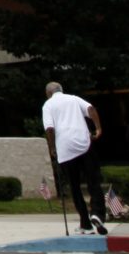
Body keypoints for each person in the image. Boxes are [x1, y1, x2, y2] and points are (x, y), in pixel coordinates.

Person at [43, 81, 107, 235]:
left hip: (65, 150)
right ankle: (97, 213)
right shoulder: (73, 98)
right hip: (84, 144)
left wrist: (52, 147)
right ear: (61, 90)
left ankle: (85, 223)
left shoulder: (48, 105)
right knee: (94, 181)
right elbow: (90, 109)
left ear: (48, 93)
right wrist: (98, 127)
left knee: (75, 186)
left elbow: (50, 129)